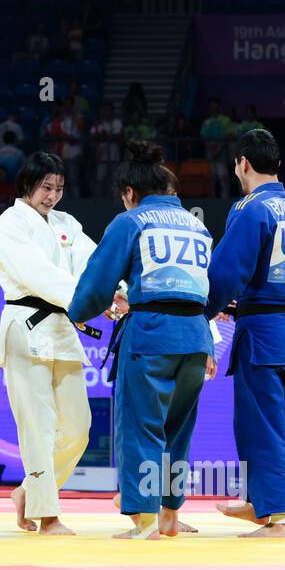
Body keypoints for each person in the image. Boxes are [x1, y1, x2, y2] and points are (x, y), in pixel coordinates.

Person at [70, 141, 216, 539]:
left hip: (151, 332)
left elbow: (98, 282)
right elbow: (210, 287)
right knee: (177, 429)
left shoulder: (131, 221)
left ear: (130, 193)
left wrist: (76, 313)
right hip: (195, 335)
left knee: (141, 426)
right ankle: (169, 516)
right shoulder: (197, 225)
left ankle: (146, 520)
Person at [205, 129, 285, 538]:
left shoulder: (251, 208)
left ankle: (281, 516)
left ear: (243, 165)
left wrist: (204, 312)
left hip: (262, 332)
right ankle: (261, 504)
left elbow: (226, 272)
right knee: (266, 422)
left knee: (263, 425)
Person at [0, 152, 99, 535]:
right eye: (45, 187)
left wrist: (114, 292)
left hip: (63, 329)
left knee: (78, 427)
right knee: (37, 426)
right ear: (27, 185)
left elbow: (94, 263)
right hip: (25, 326)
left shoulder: (66, 223)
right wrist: (87, 299)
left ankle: (27, 492)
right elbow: (36, 274)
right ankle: (47, 515)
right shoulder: (10, 223)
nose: (52, 196)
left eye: (58, 189)